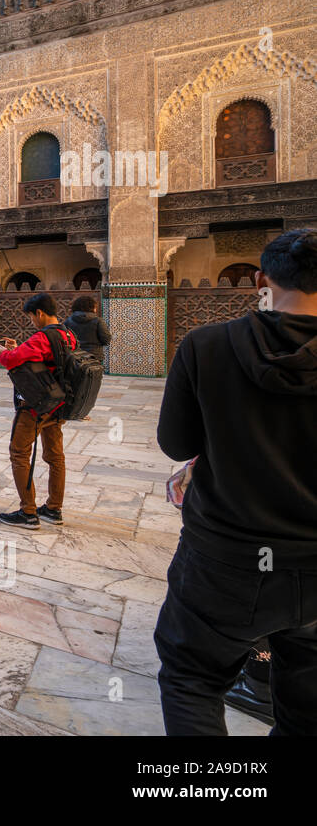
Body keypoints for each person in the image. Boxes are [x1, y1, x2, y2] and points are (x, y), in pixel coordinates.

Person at [154, 227, 317, 735]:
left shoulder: (207, 345)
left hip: (223, 561)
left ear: (262, 280)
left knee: (192, 682)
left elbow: (176, 443)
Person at [0, 293, 78, 530]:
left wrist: (3, 353)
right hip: (57, 406)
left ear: (39, 313)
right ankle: (53, 508)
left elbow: (13, 360)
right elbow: (42, 359)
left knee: (19, 453)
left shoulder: (44, 336)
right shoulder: (68, 334)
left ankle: (28, 512)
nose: (32, 321)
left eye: (31, 316)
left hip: (35, 406)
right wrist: (18, 349)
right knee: (55, 456)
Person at [63, 295, 111, 363]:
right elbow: (106, 340)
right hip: (94, 357)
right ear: (92, 307)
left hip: (75, 357)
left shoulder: (68, 321)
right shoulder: (98, 321)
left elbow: (65, 340)